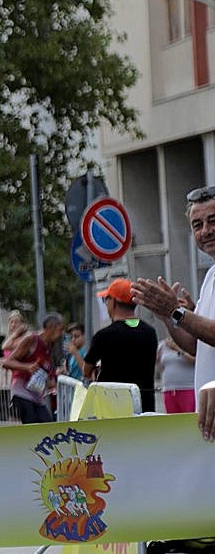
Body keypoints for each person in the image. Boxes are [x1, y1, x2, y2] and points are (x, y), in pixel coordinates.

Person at [133, 185, 215, 440]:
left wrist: (176, 311)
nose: (206, 231)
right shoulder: (211, 276)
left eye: (213, 221)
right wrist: (167, 315)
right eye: (197, 224)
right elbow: (194, 345)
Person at [82, 278, 158, 412]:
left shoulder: (104, 335)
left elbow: (86, 370)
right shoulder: (150, 332)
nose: (106, 304)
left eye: (106, 299)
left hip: (113, 408)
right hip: (144, 406)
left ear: (114, 302)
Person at [2, 312, 64, 424]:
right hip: (21, 390)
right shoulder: (32, 339)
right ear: (51, 328)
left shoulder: (49, 346)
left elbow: (49, 379)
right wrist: (27, 367)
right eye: (60, 330)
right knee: (32, 422)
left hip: (36, 394)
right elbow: (7, 362)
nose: (61, 334)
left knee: (46, 423)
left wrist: (56, 383)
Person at [158, 336, 196, 413]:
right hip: (169, 389)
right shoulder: (162, 345)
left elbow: (195, 361)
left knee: (189, 419)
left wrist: (178, 349)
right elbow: (161, 366)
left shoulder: (189, 344)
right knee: (173, 420)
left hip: (187, 388)